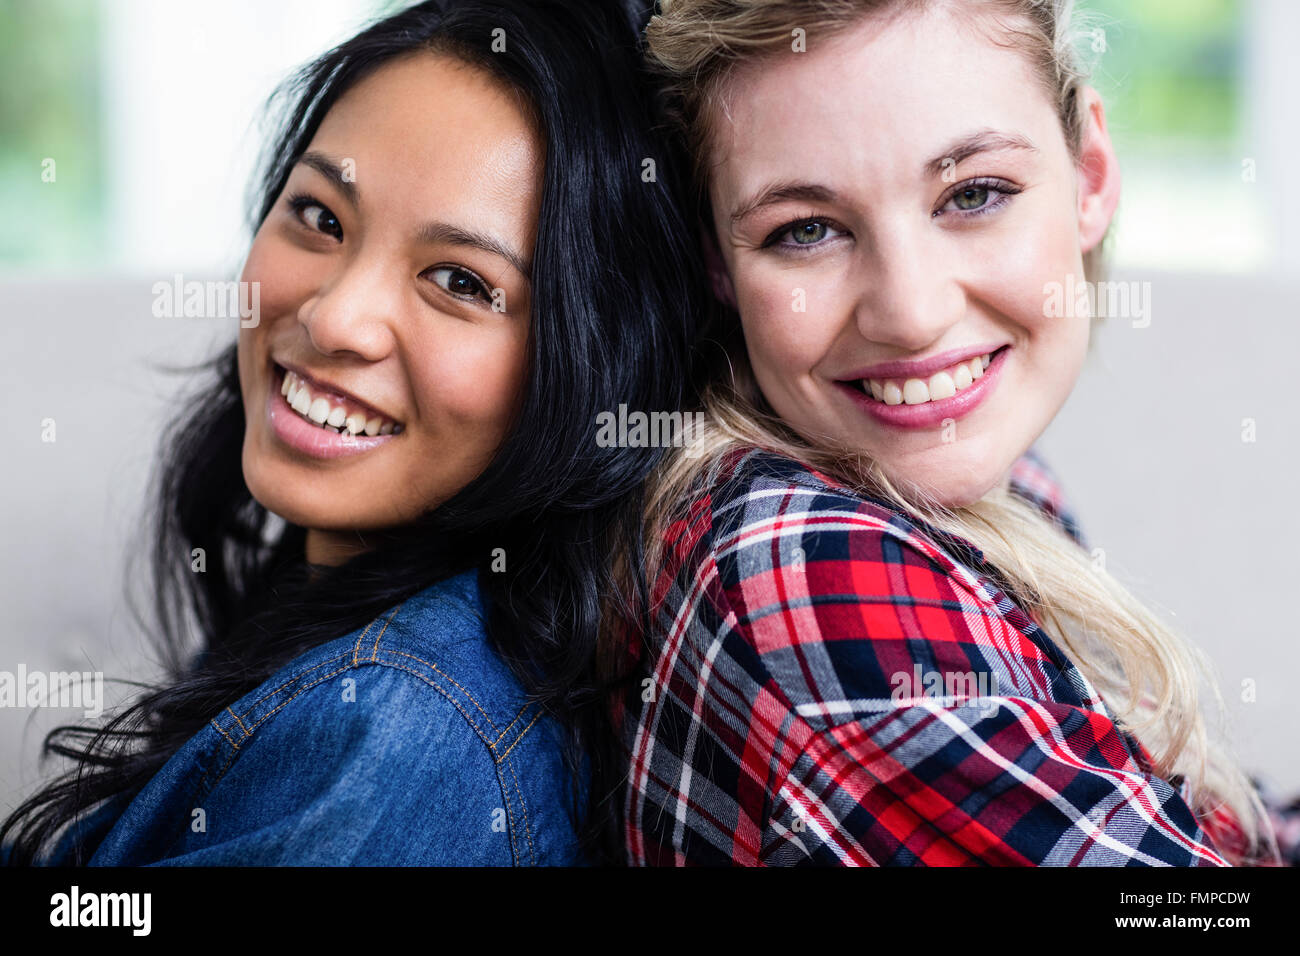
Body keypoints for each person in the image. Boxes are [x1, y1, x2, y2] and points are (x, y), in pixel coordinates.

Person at [1, 0, 703, 866]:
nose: (334, 318)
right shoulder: (353, 637)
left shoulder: (394, 733)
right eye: (321, 217)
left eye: (460, 281)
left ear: (593, 361)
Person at [607, 0, 1287, 865]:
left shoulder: (994, 482)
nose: (912, 314)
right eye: (806, 230)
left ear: (1090, 174)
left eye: (974, 194)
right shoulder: (807, 568)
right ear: (717, 262)